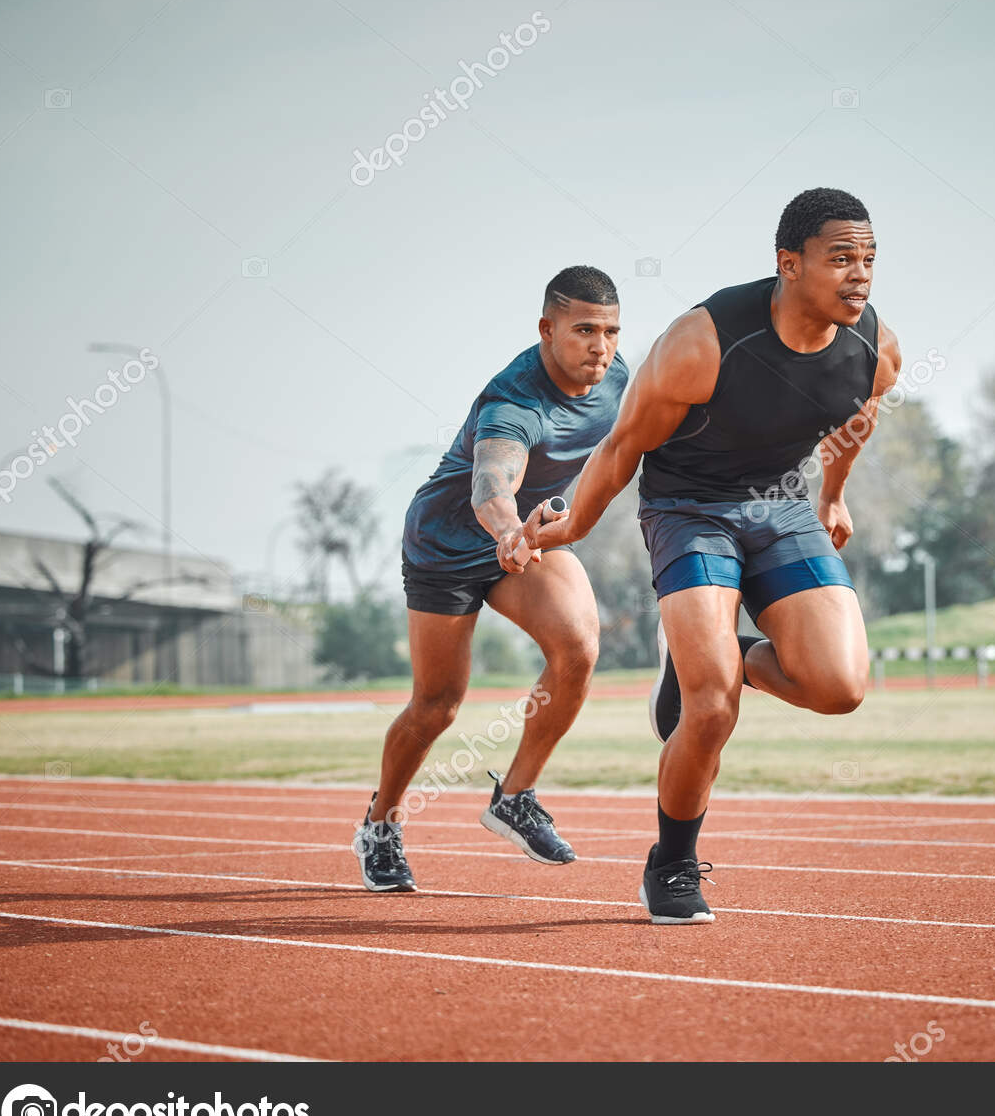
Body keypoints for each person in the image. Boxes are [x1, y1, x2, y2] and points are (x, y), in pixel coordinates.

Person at [523, 189, 902, 923]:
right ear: (788, 265)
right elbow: (623, 447)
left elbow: (858, 415)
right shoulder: (704, 343)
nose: (860, 276)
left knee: (839, 688)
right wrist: (568, 529)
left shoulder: (875, 347)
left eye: (870, 261)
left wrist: (832, 495)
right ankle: (672, 862)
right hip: (688, 510)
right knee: (710, 707)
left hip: (783, 506)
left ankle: (724, 648)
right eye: (840, 259)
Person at [354, 265, 628, 891]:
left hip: (528, 537)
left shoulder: (616, 378)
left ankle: (516, 796)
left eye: (610, 331)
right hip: (450, 544)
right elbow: (490, 482)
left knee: (579, 646)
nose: (600, 346)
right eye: (584, 330)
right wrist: (507, 530)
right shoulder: (515, 400)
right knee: (437, 705)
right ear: (546, 329)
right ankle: (380, 824)